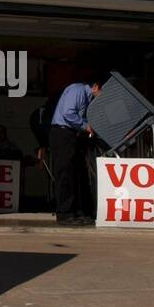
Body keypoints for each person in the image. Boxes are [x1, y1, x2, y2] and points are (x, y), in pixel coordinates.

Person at [49, 75, 105, 226]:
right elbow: (68, 113)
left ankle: (75, 211)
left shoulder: (86, 97)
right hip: (62, 133)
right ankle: (64, 214)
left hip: (70, 135)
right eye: (102, 91)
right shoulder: (78, 90)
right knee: (65, 174)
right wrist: (85, 125)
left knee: (74, 174)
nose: (102, 95)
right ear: (95, 86)